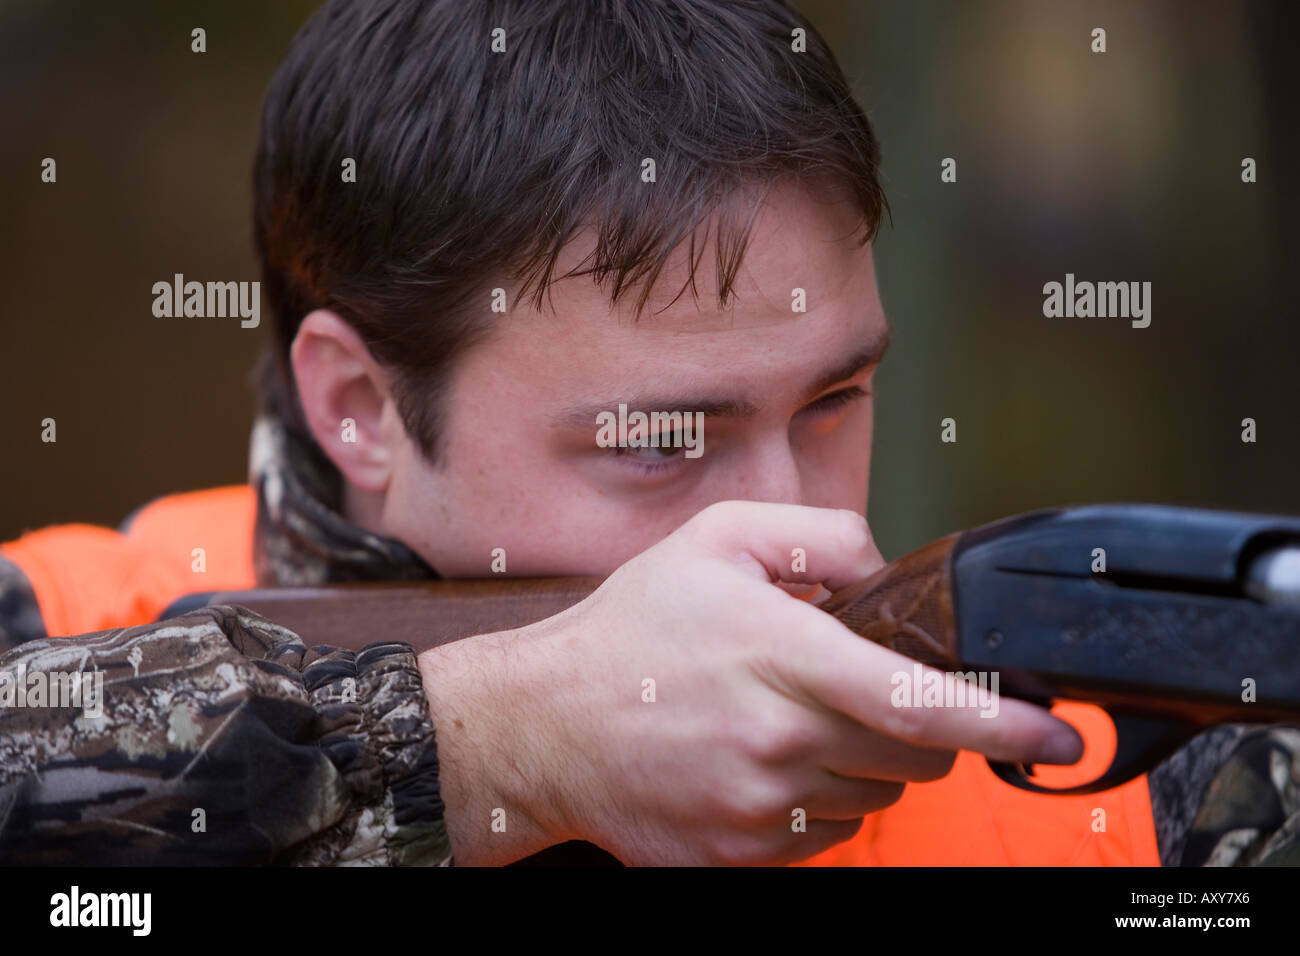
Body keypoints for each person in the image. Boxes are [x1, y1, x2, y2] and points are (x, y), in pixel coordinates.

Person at [1, 0, 1290, 867]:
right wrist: (490, 741)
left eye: (834, 401)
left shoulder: (1114, 780)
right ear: (360, 407)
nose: (809, 536)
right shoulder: (59, 619)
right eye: (665, 439)